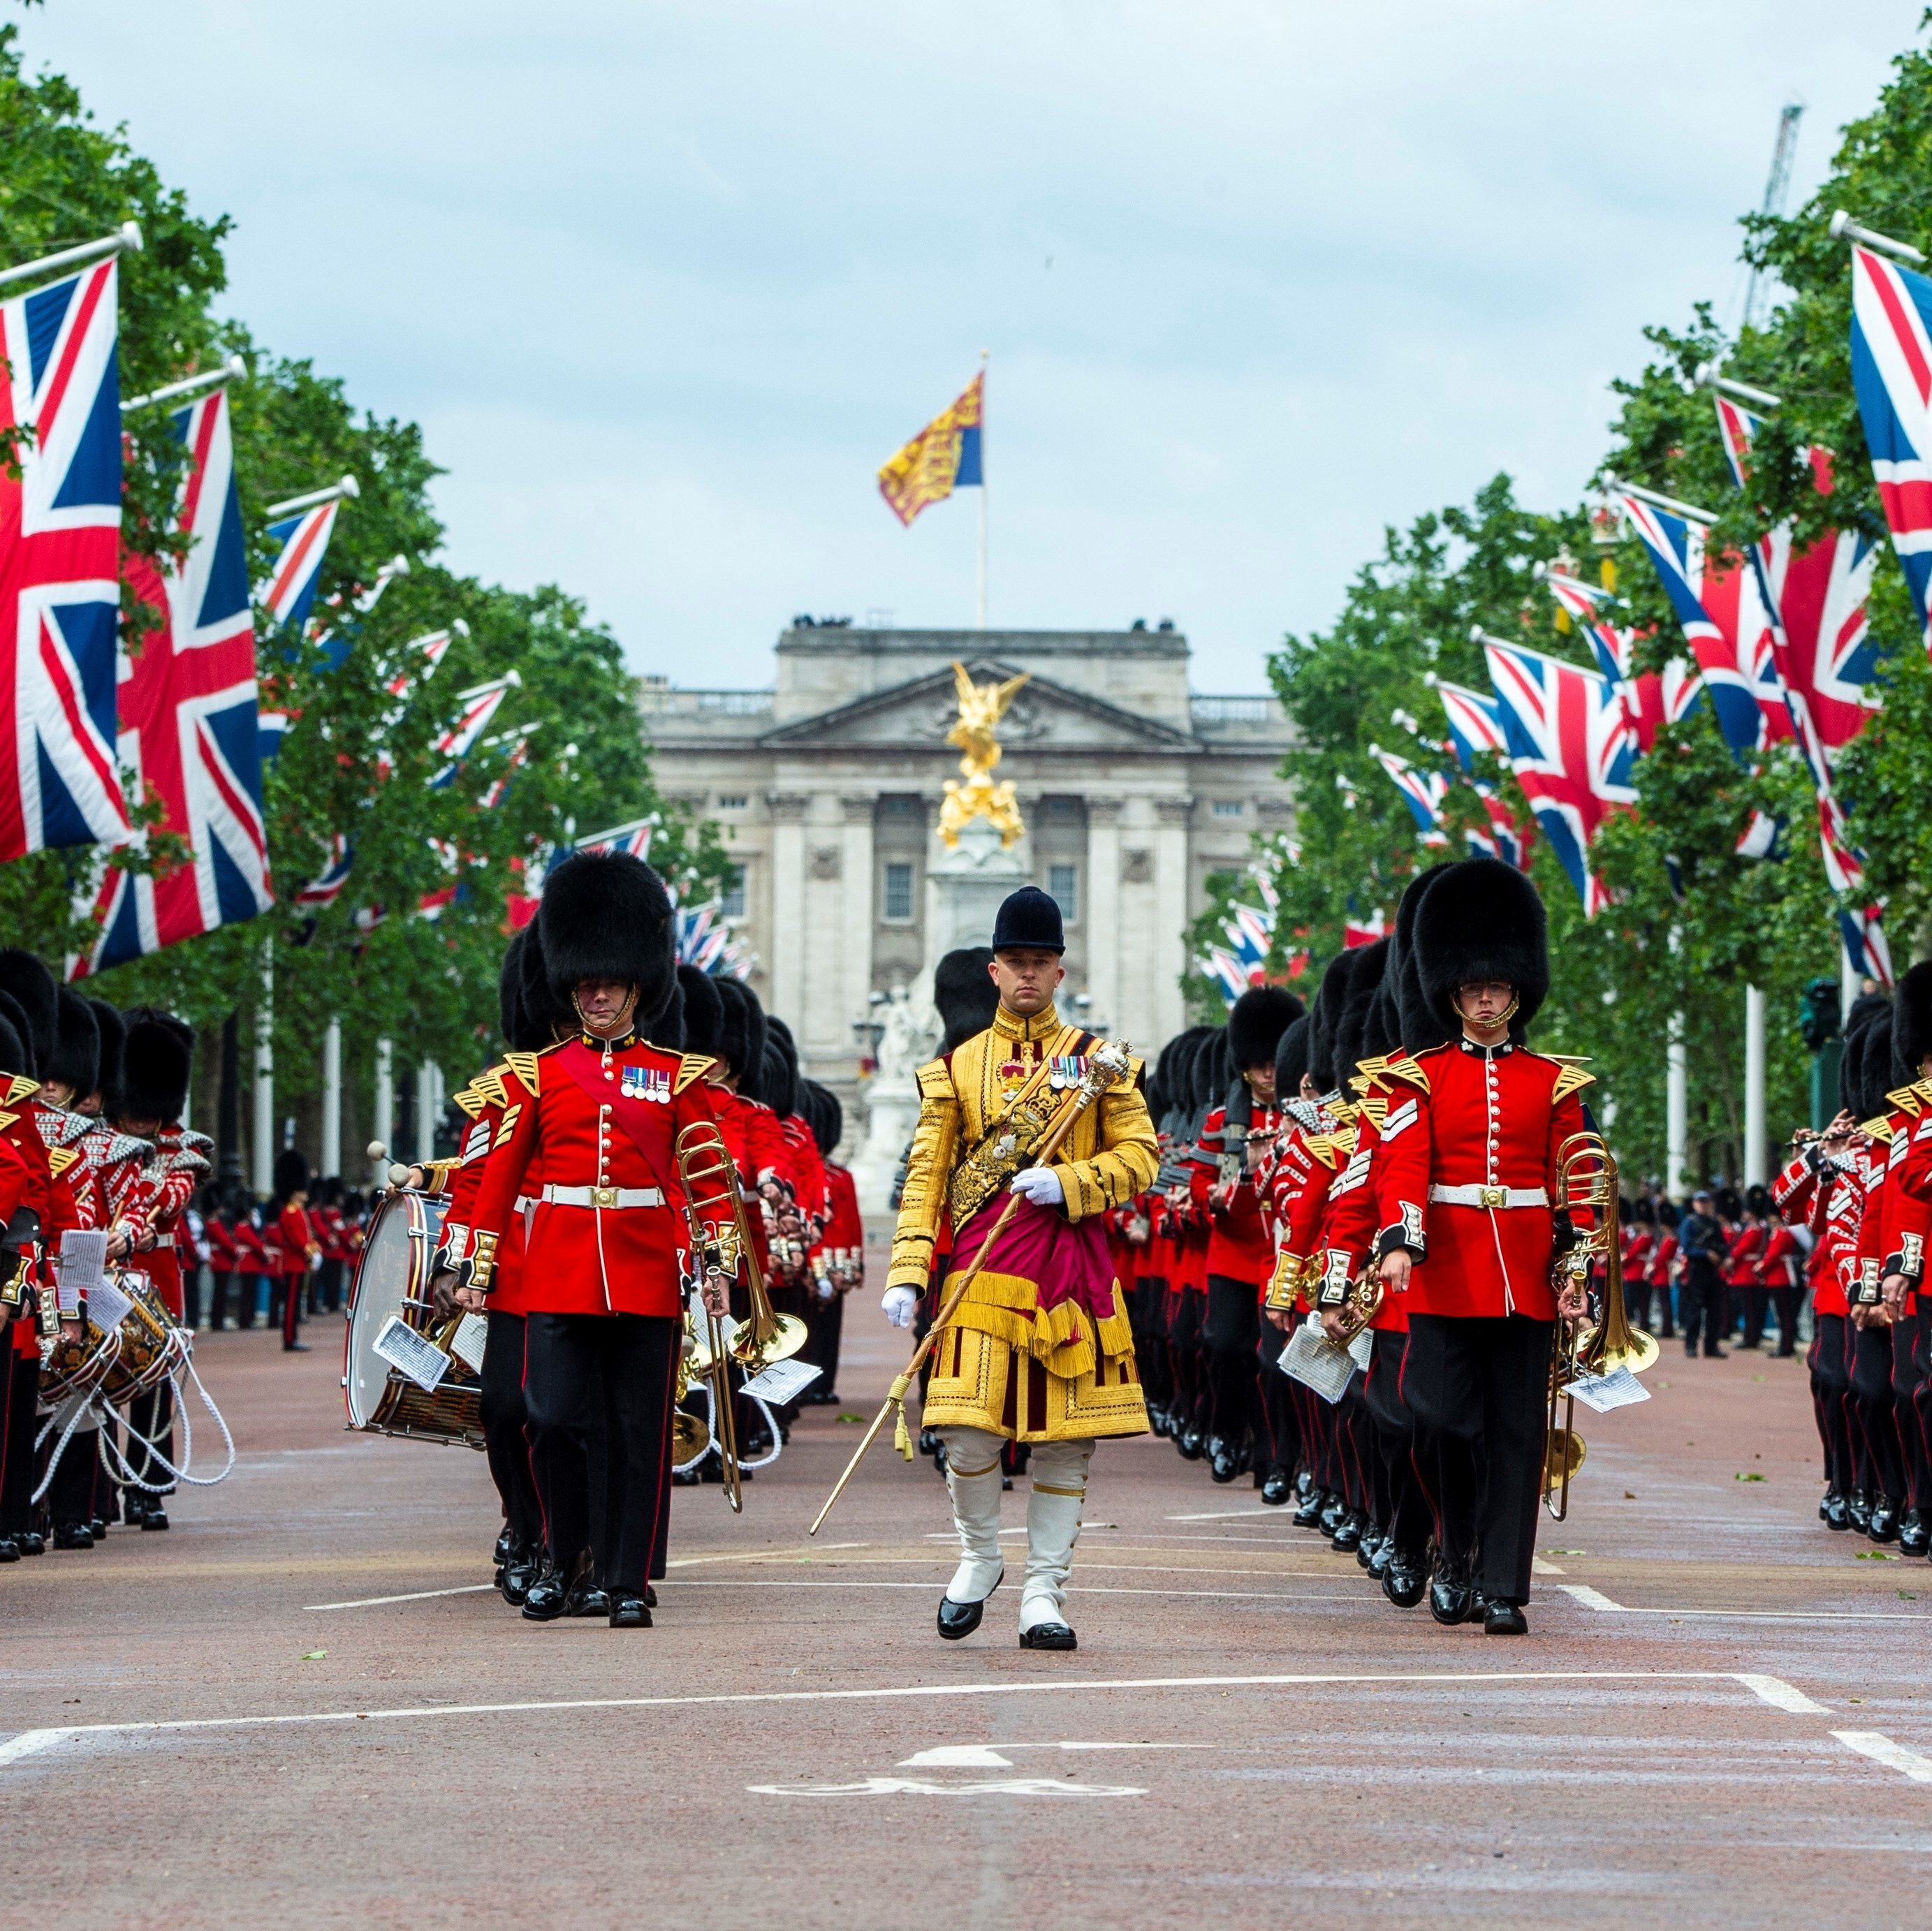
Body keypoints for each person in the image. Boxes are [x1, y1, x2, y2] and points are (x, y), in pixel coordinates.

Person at [452, 850, 731, 1631]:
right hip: (560, 1270)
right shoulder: (537, 1076)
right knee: (551, 1417)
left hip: (643, 1271)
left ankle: (626, 1580)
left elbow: (704, 1176)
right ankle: (564, 1557)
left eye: (608, 981)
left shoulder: (679, 1078)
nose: (596, 993)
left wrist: (715, 1264)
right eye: (584, 983)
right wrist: (473, 1265)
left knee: (641, 1434)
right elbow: (502, 1175)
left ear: (638, 984)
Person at [883, 884, 1159, 1652]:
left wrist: (1070, 1182)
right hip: (982, 1269)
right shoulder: (957, 1069)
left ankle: (1045, 1589)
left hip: (1070, 1268)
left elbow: (1141, 1156)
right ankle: (979, 1555)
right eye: (1017, 963)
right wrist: (907, 1271)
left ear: (1059, 972)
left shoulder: (1100, 1065)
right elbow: (927, 1178)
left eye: (1042, 963)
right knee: (968, 1433)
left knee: (1065, 1442)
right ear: (993, 971)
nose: (1029, 976)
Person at [1324, 858, 1591, 1636]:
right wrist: (1402, 1240)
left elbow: (1576, 1185)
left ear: (1517, 990)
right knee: (1438, 1421)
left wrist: (1578, 1274)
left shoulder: (1555, 1082)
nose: (1485, 996)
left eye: (1497, 985)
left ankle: (1502, 1584)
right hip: (1444, 1271)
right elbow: (1404, 1162)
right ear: (1451, 990)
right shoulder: (1418, 1079)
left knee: (1516, 1435)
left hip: (1526, 1279)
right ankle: (1454, 1545)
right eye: (1473, 985)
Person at [1187, 985, 1300, 1487]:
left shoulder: (1301, 1122)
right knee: (1225, 1346)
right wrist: (1224, 1193)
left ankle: (1274, 1456)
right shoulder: (1221, 1124)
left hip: (1282, 1256)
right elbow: (1201, 1186)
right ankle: (1227, 1433)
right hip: (1233, 1251)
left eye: (1275, 1062)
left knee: (1275, 1360)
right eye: (1260, 1065)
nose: (1269, 1073)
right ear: (1245, 1066)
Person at [1677, 1190, 1729, 1358]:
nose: (1703, 1205)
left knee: (1715, 1311)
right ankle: (1691, 1346)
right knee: (1695, 1309)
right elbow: (1687, 1248)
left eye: (1705, 1202)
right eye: (1700, 1202)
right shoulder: (1689, 1223)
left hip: (1713, 1270)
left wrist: (1726, 1257)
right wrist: (1706, 1253)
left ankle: (1711, 1346)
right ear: (1694, 1204)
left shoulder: (1714, 1223)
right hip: (1697, 1269)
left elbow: (1722, 1244)